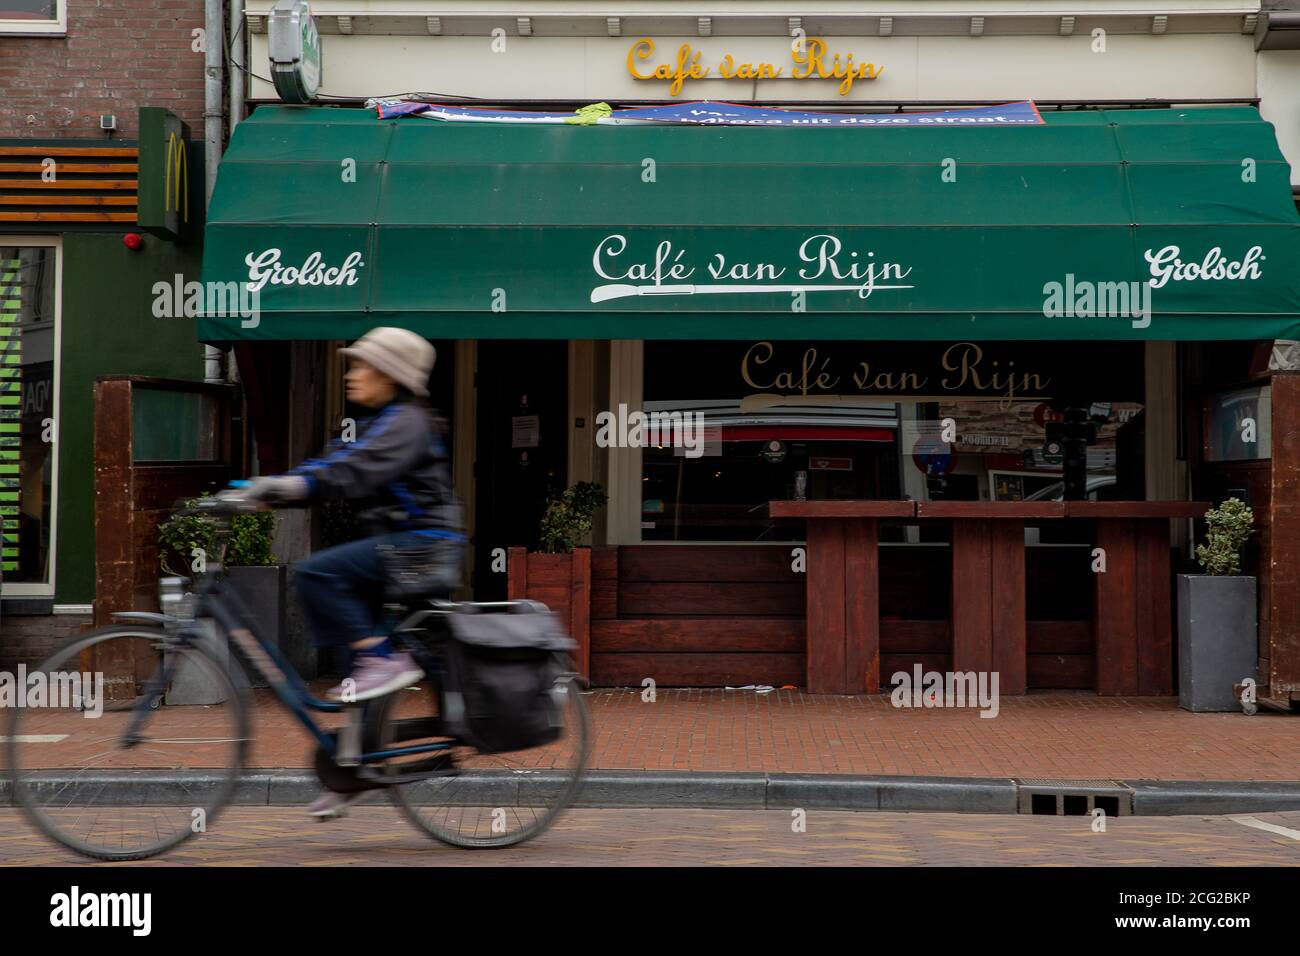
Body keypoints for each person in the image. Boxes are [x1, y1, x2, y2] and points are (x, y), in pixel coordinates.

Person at [232, 327, 464, 817]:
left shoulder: (407, 423)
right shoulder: (377, 420)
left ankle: (383, 663)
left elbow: (357, 470)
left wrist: (286, 489)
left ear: (390, 375)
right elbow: (334, 460)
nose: (353, 375)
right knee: (353, 657)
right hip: (402, 548)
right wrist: (270, 488)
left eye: (362, 366)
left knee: (318, 573)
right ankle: (351, 768)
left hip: (422, 547)